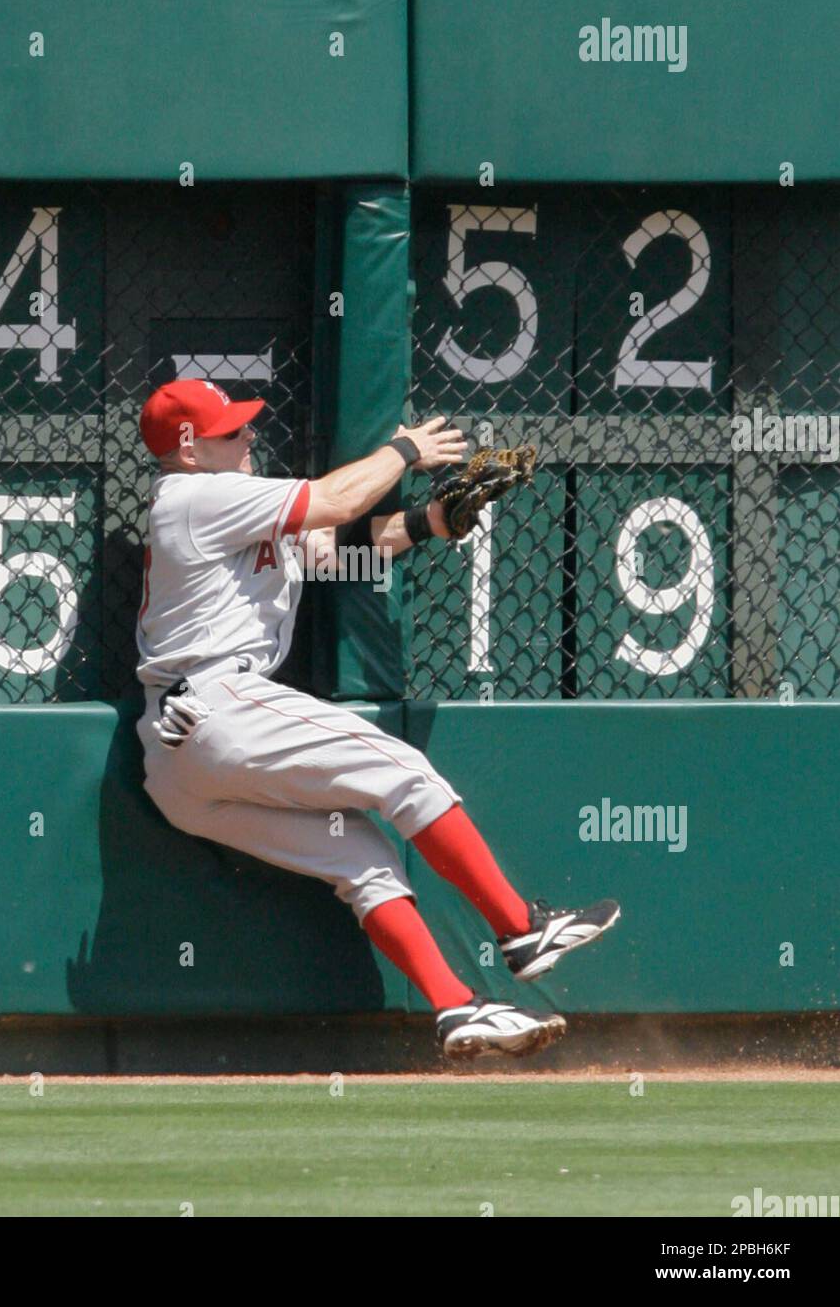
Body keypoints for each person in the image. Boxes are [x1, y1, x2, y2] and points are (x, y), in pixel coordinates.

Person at [135, 378, 620, 1058]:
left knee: (360, 857)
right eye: (231, 431)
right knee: (407, 774)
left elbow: (337, 552)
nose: (249, 437)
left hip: (179, 764)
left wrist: (431, 522)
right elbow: (335, 498)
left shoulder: (228, 507)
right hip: (219, 706)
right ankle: (519, 928)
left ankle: (456, 1007)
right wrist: (404, 448)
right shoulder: (194, 496)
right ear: (187, 447)